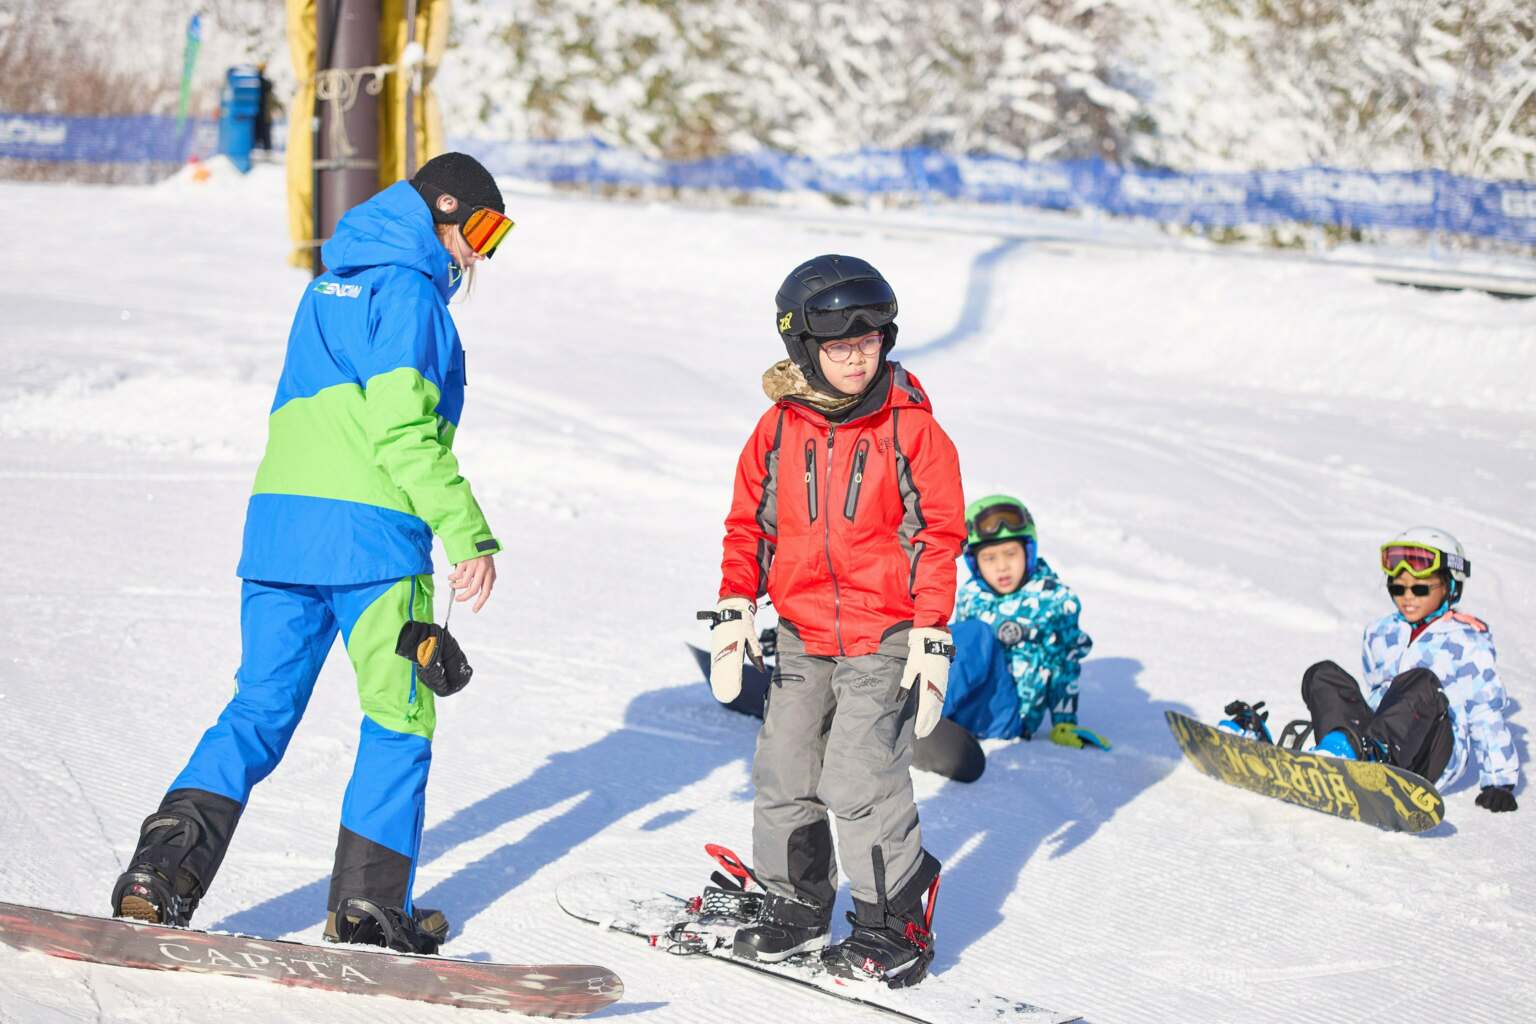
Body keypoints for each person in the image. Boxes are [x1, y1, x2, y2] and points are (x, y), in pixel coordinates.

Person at [109, 152, 516, 951]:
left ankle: (159, 874)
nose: (482, 254)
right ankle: (367, 907)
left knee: (257, 709)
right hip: (371, 543)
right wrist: (467, 532)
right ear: (444, 211)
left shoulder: (326, 286)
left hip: (280, 532)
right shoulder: (411, 295)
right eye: (483, 229)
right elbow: (402, 432)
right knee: (398, 715)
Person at [703, 254, 966, 987]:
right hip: (801, 631)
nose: (857, 357)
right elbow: (749, 526)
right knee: (784, 768)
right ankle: (795, 904)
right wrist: (735, 603)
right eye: (840, 345)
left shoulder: (912, 431)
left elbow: (938, 535)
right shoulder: (777, 430)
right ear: (804, 346)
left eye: (869, 341)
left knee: (858, 778)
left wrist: (931, 631)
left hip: (885, 634)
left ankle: (894, 923)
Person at [1224, 527, 1519, 813]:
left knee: (1421, 683)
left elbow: (1485, 713)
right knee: (1322, 674)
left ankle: (1371, 758)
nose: (1407, 597)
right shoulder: (1383, 632)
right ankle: (1331, 755)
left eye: (1420, 588)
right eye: (1398, 588)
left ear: (1451, 586)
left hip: (1430, 752)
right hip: (1379, 736)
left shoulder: (1467, 640)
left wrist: (1499, 781)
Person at [944, 495, 1104, 749]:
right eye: (990, 558)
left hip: (1010, 715)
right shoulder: (971, 595)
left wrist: (1065, 722)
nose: (1002, 567)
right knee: (949, 636)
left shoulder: (1053, 600)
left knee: (976, 633)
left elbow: (1064, 662)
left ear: (1028, 552)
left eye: (1010, 553)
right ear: (975, 563)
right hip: (968, 705)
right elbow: (962, 660)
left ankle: (920, 719)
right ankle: (918, 712)